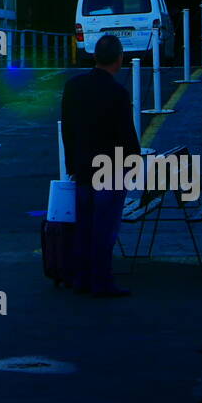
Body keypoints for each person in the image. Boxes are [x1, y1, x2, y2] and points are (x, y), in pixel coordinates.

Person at [59, 34, 141, 297]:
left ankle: (81, 278)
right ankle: (102, 281)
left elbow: (67, 129)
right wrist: (134, 163)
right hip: (110, 168)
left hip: (82, 166)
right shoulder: (118, 93)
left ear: (94, 56)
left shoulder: (73, 86)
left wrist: (72, 162)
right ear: (119, 60)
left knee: (83, 227)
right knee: (104, 229)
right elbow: (127, 134)